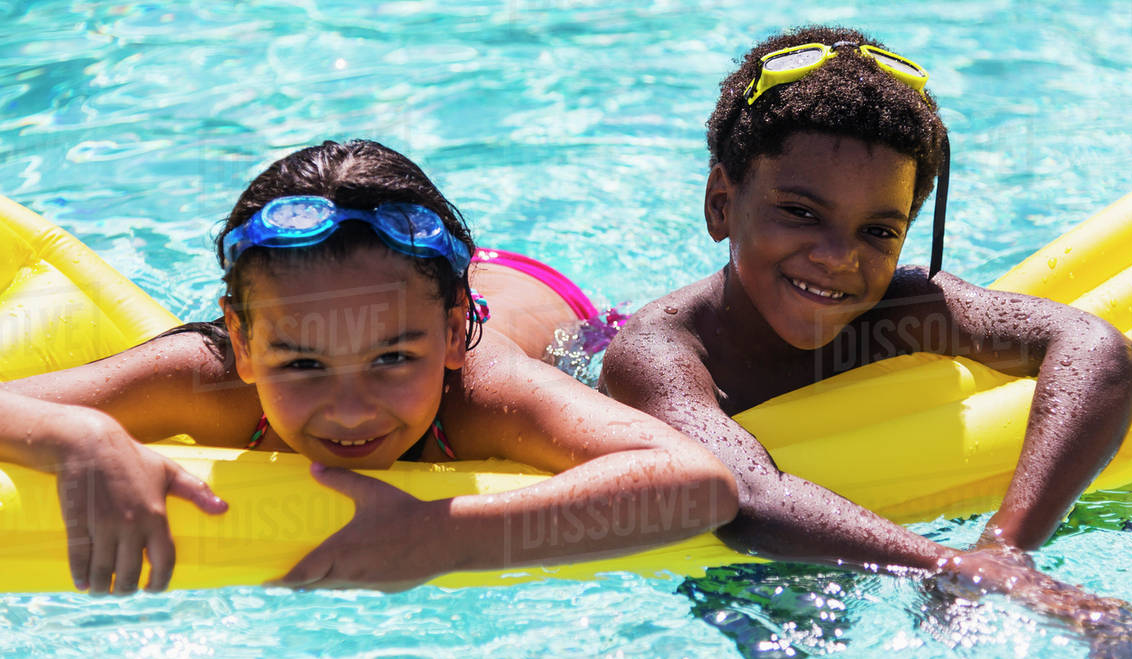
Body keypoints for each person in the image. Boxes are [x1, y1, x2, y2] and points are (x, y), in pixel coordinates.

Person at [0, 140, 737, 594]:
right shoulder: (206, 378)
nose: (350, 409)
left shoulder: (481, 390)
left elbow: (697, 484)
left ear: (451, 338)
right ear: (246, 343)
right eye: (302, 365)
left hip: (535, 300)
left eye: (392, 361)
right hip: (402, 288)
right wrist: (82, 439)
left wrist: (448, 533)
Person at [599, 26, 1132, 614]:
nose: (839, 256)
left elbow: (1100, 352)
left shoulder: (901, 311)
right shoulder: (660, 353)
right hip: (727, 560)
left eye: (879, 231)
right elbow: (741, 497)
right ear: (721, 204)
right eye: (800, 212)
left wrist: (1006, 547)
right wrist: (949, 565)